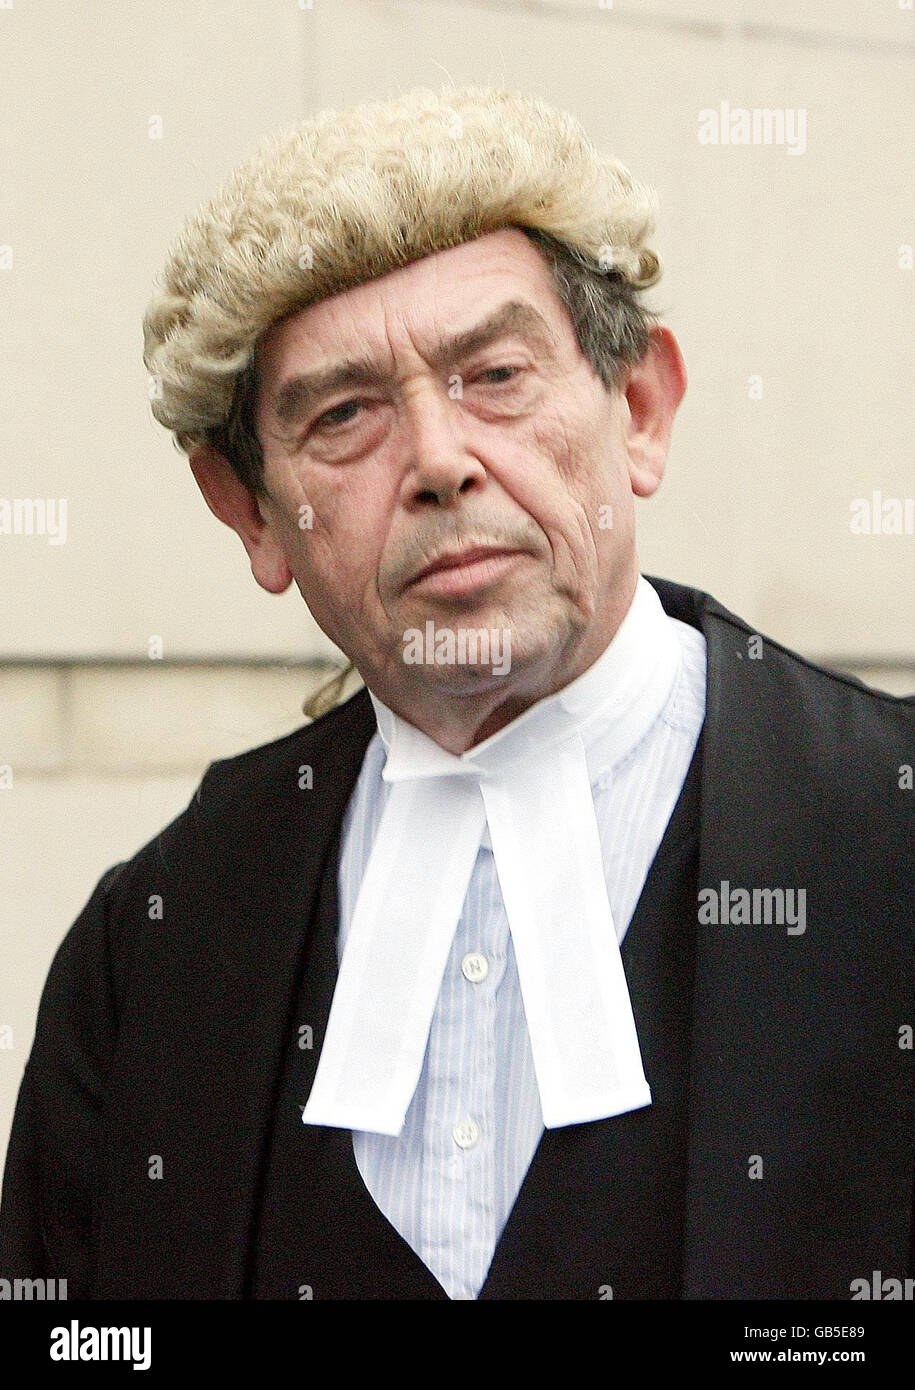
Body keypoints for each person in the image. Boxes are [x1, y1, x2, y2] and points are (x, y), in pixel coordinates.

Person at [1, 84, 912, 1301]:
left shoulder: (887, 837)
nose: (438, 460)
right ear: (252, 514)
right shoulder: (154, 945)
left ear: (639, 409)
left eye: (494, 373)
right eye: (344, 415)